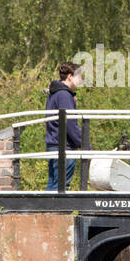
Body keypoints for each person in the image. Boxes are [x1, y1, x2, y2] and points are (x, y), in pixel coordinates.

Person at [45, 61, 83, 191]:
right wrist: (83, 143)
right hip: (63, 147)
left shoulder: (54, 93)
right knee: (61, 188)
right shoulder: (64, 95)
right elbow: (70, 124)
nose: (81, 81)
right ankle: (57, 211)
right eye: (79, 77)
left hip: (52, 145)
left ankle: (47, 210)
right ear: (70, 76)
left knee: (52, 185)